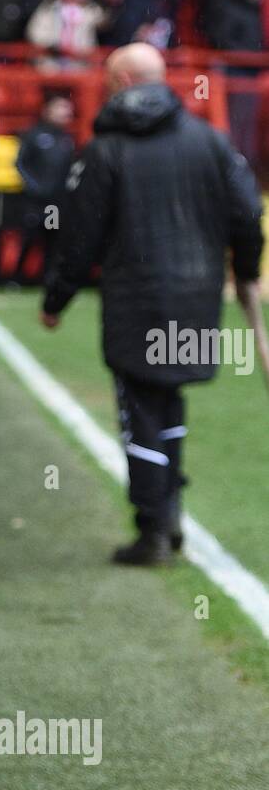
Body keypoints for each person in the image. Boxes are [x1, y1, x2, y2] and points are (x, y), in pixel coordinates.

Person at [41, 43, 264, 565]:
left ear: (119, 81)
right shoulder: (209, 140)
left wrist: (57, 298)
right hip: (196, 297)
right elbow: (247, 214)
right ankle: (171, 511)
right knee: (169, 401)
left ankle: (154, 527)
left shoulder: (107, 149)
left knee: (138, 408)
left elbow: (82, 236)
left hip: (136, 300)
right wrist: (248, 272)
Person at [13, 94, 76, 285]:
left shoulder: (67, 140)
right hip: (34, 202)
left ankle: (47, 277)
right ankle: (17, 277)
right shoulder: (34, 135)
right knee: (29, 238)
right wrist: (33, 187)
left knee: (52, 239)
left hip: (54, 204)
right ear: (47, 110)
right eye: (60, 108)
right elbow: (20, 164)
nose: (64, 113)